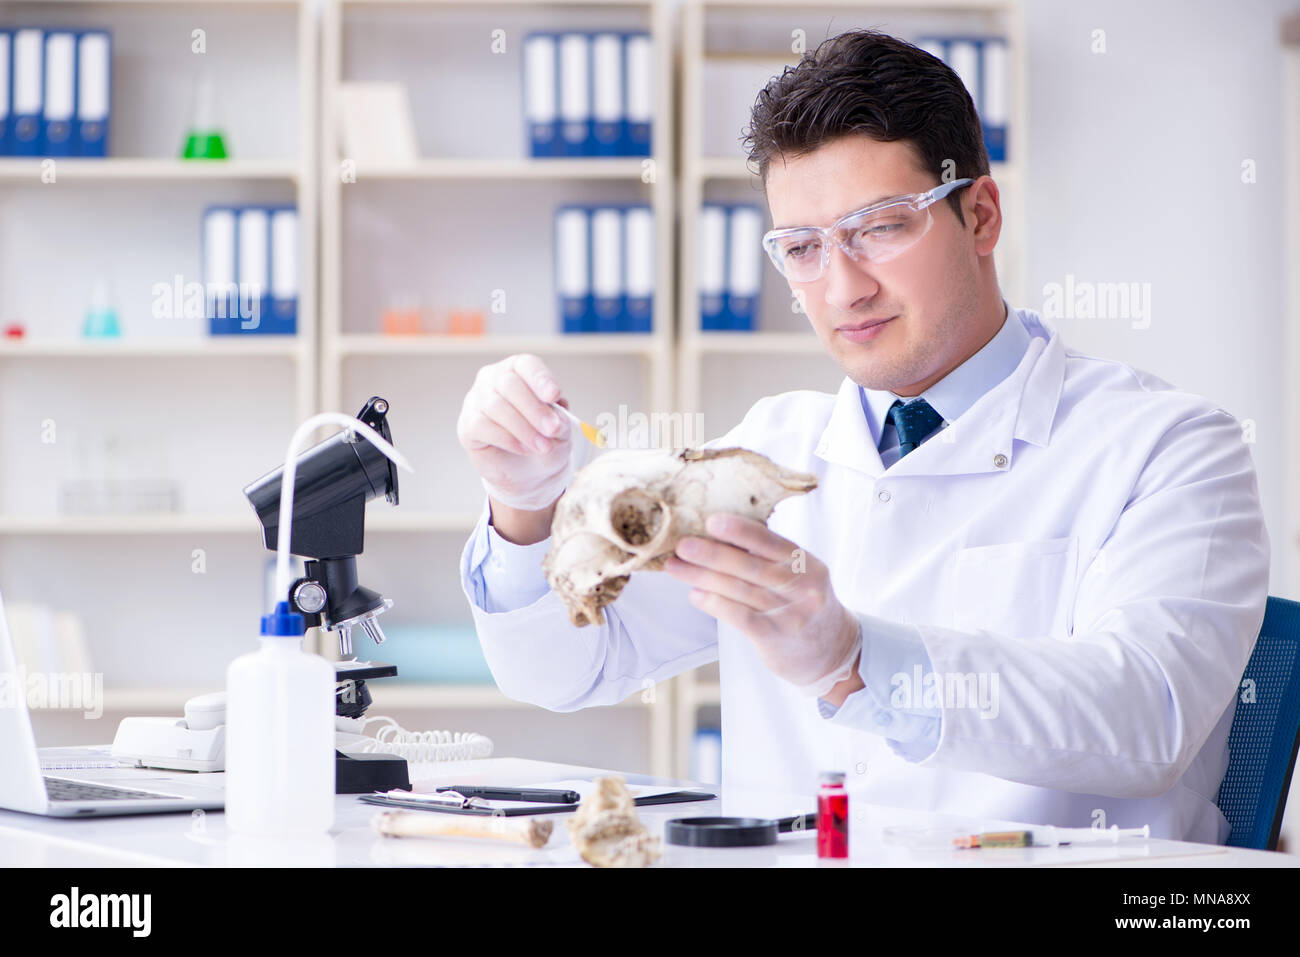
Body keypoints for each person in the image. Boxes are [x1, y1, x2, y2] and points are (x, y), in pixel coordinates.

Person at [455, 30, 1268, 843]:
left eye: (880, 226)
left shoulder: (1170, 447)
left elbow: (1150, 715)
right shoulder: (769, 452)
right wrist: (524, 507)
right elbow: (566, 669)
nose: (842, 287)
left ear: (979, 215)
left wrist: (855, 661)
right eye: (804, 247)